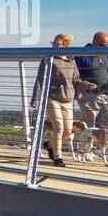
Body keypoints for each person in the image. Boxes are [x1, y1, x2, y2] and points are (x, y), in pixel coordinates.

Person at [31, 33, 92, 167]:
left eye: (57, 44)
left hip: (68, 99)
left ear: (65, 46)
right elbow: (40, 80)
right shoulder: (48, 60)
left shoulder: (71, 61)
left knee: (67, 130)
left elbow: (75, 80)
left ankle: (49, 144)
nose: (54, 45)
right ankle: (58, 157)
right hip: (52, 98)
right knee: (58, 128)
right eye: (53, 43)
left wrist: (87, 85)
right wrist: (35, 99)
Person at [74, 31, 108, 160]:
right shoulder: (82, 54)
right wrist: (78, 91)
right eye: (103, 45)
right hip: (88, 94)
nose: (105, 48)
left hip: (104, 94)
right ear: (94, 42)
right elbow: (75, 74)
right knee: (90, 125)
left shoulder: (106, 55)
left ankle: (100, 149)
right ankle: (85, 152)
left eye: (107, 45)